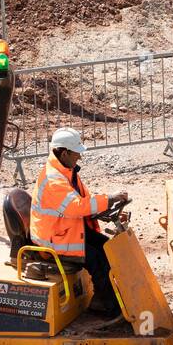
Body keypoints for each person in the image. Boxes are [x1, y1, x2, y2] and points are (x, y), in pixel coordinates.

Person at [30, 128, 128, 315]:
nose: (80, 158)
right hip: (53, 241)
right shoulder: (53, 179)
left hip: (64, 231)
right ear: (65, 153)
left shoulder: (66, 171)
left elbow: (84, 199)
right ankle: (108, 307)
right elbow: (76, 207)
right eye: (77, 153)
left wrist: (103, 206)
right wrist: (108, 199)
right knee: (98, 259)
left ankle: (104, 298)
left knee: (106, 247)